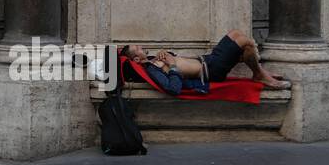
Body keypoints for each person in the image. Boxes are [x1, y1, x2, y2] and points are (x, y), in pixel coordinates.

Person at [121, 29, 290, 95]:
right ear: (136, 59)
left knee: (236, 34)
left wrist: (167, 54)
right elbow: (173, 89)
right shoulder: (152, 71)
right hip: (211, 71)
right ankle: (259, 74)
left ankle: (258, 71)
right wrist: (172, 65)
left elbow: (179, 60)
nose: (142, 46)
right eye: (138, 48)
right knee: (245, 43)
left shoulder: (152, 60)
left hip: (208, 59)